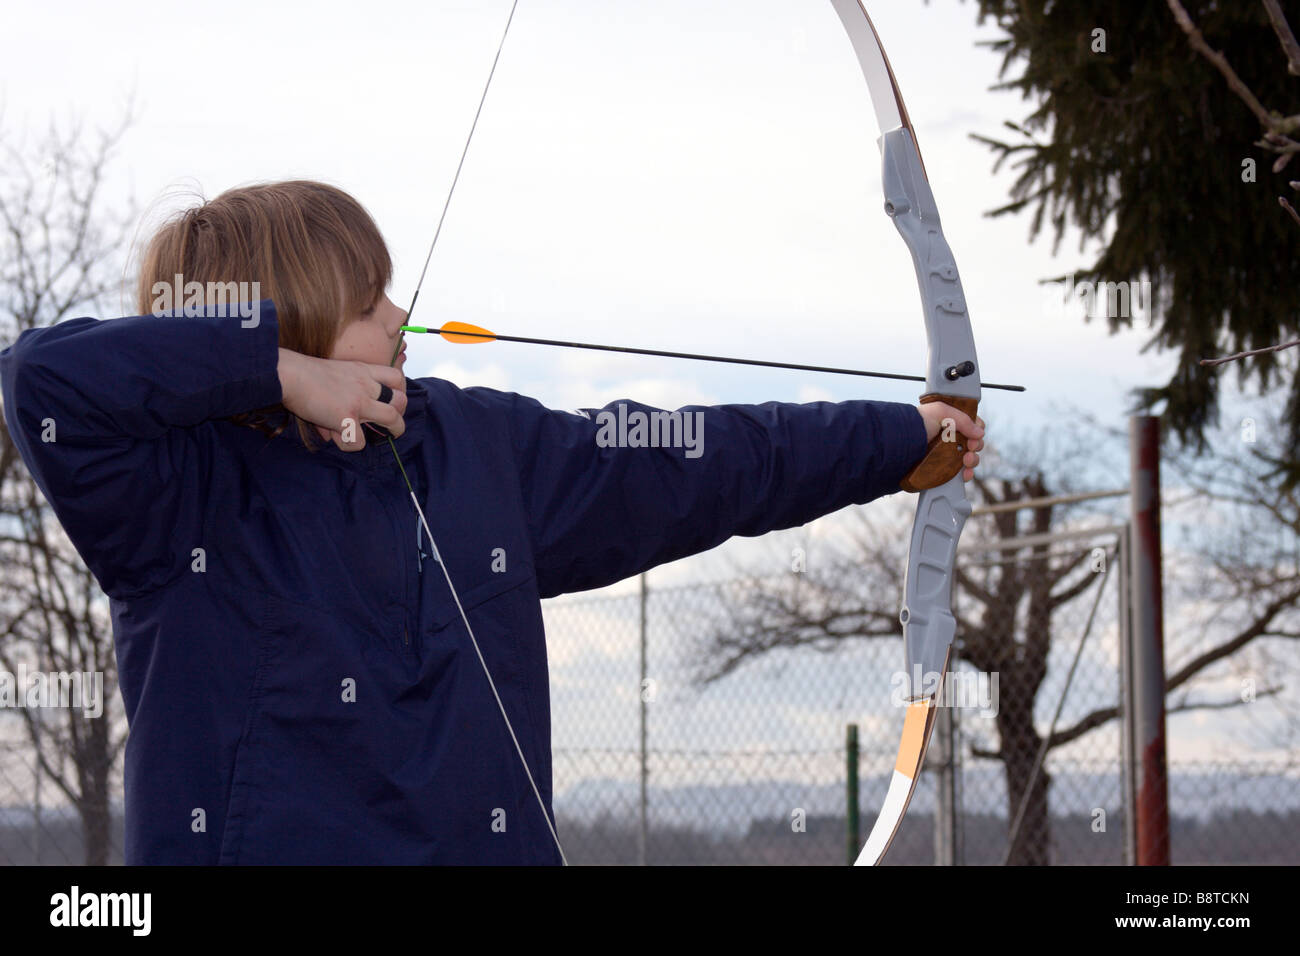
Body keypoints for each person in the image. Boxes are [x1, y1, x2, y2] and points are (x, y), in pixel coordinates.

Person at [0, 180, 984, 864]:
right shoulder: (169, 491)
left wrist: (891, 437)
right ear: (285, 319)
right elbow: (41, 376)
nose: (397, 311)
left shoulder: (466, 447)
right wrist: (279, 372)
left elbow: (690, 458)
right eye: (363, 297)